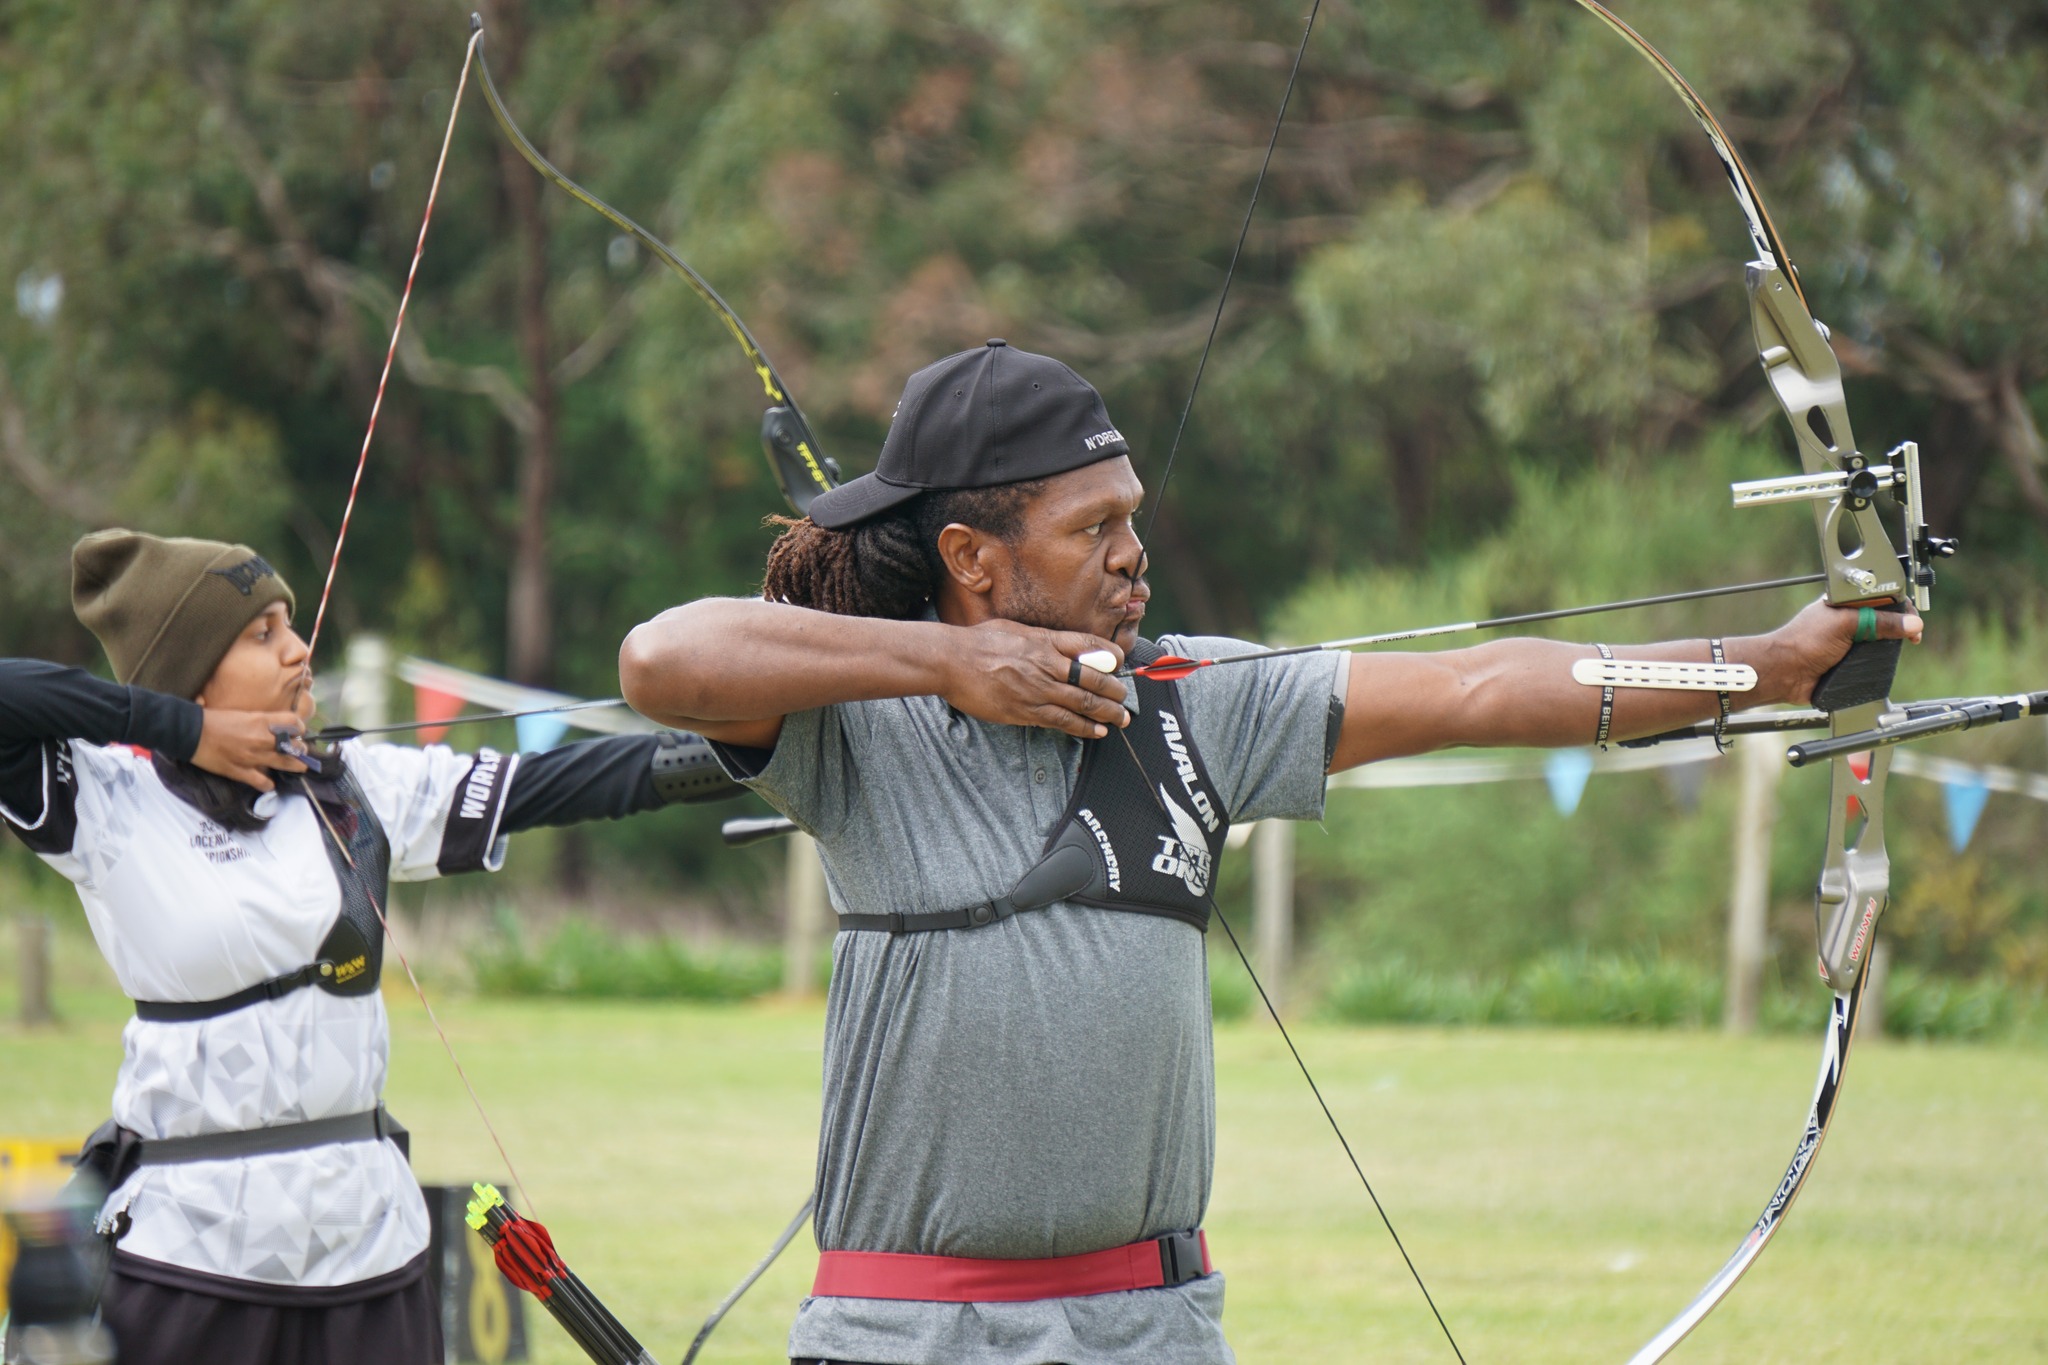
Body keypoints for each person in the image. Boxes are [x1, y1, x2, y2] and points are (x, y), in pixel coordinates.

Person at [617, 339, 1922, 1365]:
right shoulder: (858, 728)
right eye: (1089, 529)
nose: (1131, 555)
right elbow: (663, 658)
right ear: (971, 558)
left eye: (1130, 516)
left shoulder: (1190, 703)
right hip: (903, 1336)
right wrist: (949, 665)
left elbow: (1477, 688)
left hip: (1151, 1331)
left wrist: (1765, 665)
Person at [0, 530, 743, 1365]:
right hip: (188, 1252)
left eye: (290, 623)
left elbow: (562, 782)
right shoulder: (107, 797)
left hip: (371, 1250)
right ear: (192, 670)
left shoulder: (352, 783)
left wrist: (749, 748)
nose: (299, 648)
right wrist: (182, 728)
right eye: (262, 634)